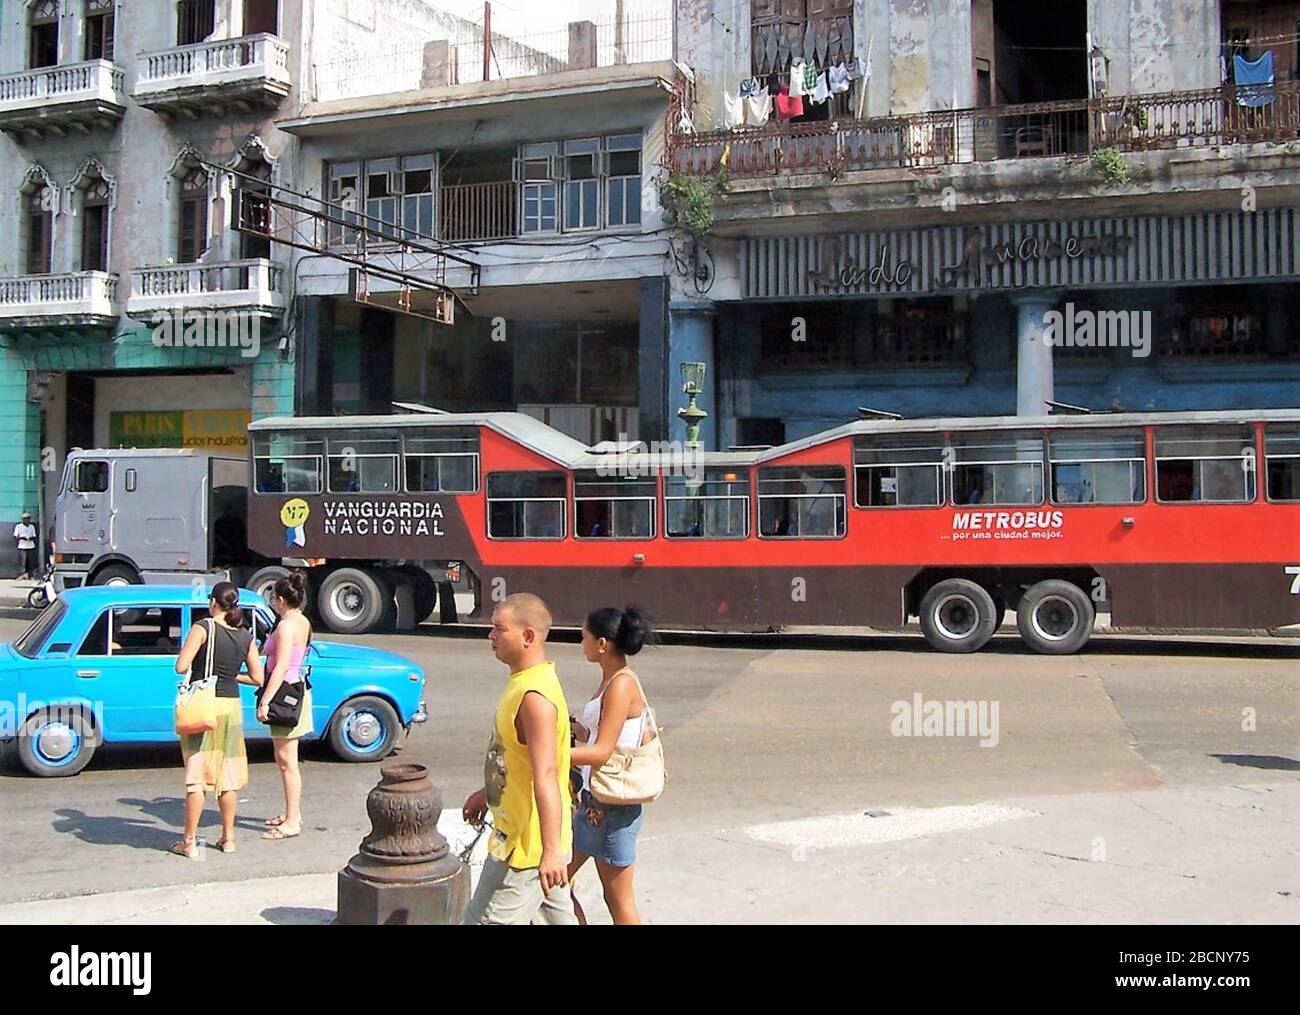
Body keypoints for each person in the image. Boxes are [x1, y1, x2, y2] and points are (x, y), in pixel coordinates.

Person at [462, 593, 577, 925]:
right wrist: (488, 793)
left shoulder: (533, 698)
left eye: (500, 629)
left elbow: (546, 775)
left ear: (528, 636)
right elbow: (516, 761)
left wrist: (551, 851)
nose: (491, 636)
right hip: (535, 841)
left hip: (525, 849)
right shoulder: (525, 682)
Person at [567, 605, 655, 926]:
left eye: (584, 637)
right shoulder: (611, 681)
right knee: (557, 884)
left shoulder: (621, 684)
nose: (582, 644)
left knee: (618, 901)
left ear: (602, 644)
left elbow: (603, 751)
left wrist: (548, 756)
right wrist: (577, 731)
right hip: (595, 802)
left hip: (612, 808)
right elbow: (607, 737)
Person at [171, 582, 264, 858]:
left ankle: (189, 842)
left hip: (205, 706)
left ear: (213, 602)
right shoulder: (245, 636)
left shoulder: (204, 627)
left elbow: (181, 666)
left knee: (196, 777)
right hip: (231, 706)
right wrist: (232, 675)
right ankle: (229, 838)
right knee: (227, 776)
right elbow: (258, 678)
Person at [259, 572, 314, 841]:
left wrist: (265, 701)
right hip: (297, 692)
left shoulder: (285, 626)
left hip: (283, 696)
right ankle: (291, 812)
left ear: (280, 600)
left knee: (286, 762)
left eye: (274, 600)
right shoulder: (302, 621)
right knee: (286, 760)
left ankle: (292, 820)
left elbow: (280, 666)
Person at [13, 511, 37, 580]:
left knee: (31, 562)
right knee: (22, 562)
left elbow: (34, 536)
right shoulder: (18, 526)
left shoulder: (31, 526)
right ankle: (21, 574)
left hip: (31, 546)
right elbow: (15, 536)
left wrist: (30, 538)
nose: (27, 520)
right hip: (22, 546)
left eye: (28, 518)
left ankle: (31, 575)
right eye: (25, 519)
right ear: (22, 519)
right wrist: (22, 538)